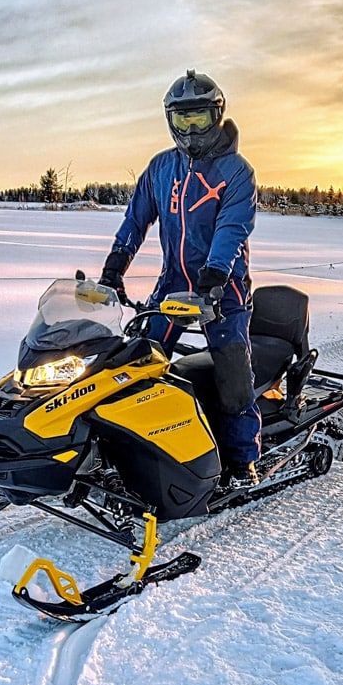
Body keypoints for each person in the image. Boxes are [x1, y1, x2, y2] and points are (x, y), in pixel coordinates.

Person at [99, 70, 261, 487]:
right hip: (173, 283)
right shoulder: (161, 168)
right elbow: (136, 219)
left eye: (200, 119)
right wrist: (115, 264)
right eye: (182, 119)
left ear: (217, 116)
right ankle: (135, 448)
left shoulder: (236, 172)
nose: (190, 130)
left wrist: (214, 276)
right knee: (137, 361)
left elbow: (232, 227)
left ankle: (243, 461)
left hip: (223, 289)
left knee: (232, 376)